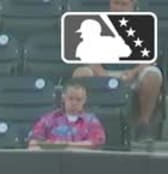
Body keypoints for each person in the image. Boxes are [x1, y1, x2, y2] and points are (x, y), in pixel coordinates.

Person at [71, 0, 162, 139]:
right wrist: (103, 74)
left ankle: (143, 124)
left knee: (154, 75)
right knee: (80, 73)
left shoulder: (144, 24)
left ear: (133, 6)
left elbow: (149, 59)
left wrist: (133, 72)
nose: (119, 8)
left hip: (133, 74)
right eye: (116, 3)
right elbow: (88, 55)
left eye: (123, 4)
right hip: (104, 73)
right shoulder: (98, 23)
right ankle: (83, 124)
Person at [27, 82, 107, 149]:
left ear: (84, 100)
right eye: (71, 98)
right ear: (63, 98)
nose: (74, 103)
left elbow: (97, 143)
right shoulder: (48, 119)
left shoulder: (92, 121)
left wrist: (64, 146)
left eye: (78, 99)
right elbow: (33, 142)